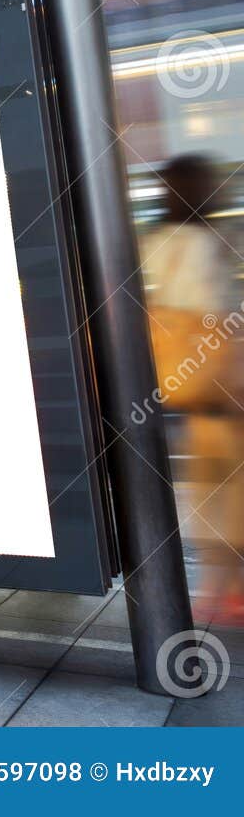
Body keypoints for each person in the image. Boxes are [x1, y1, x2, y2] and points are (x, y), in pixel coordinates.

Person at [142, 153, 244, 626]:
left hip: (183, 384)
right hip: (214, 388)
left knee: (213, 481)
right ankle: (225, 591)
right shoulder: (200, 244)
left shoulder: (155, 240)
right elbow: (209, 320)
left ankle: (220, 590)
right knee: (225, 481)